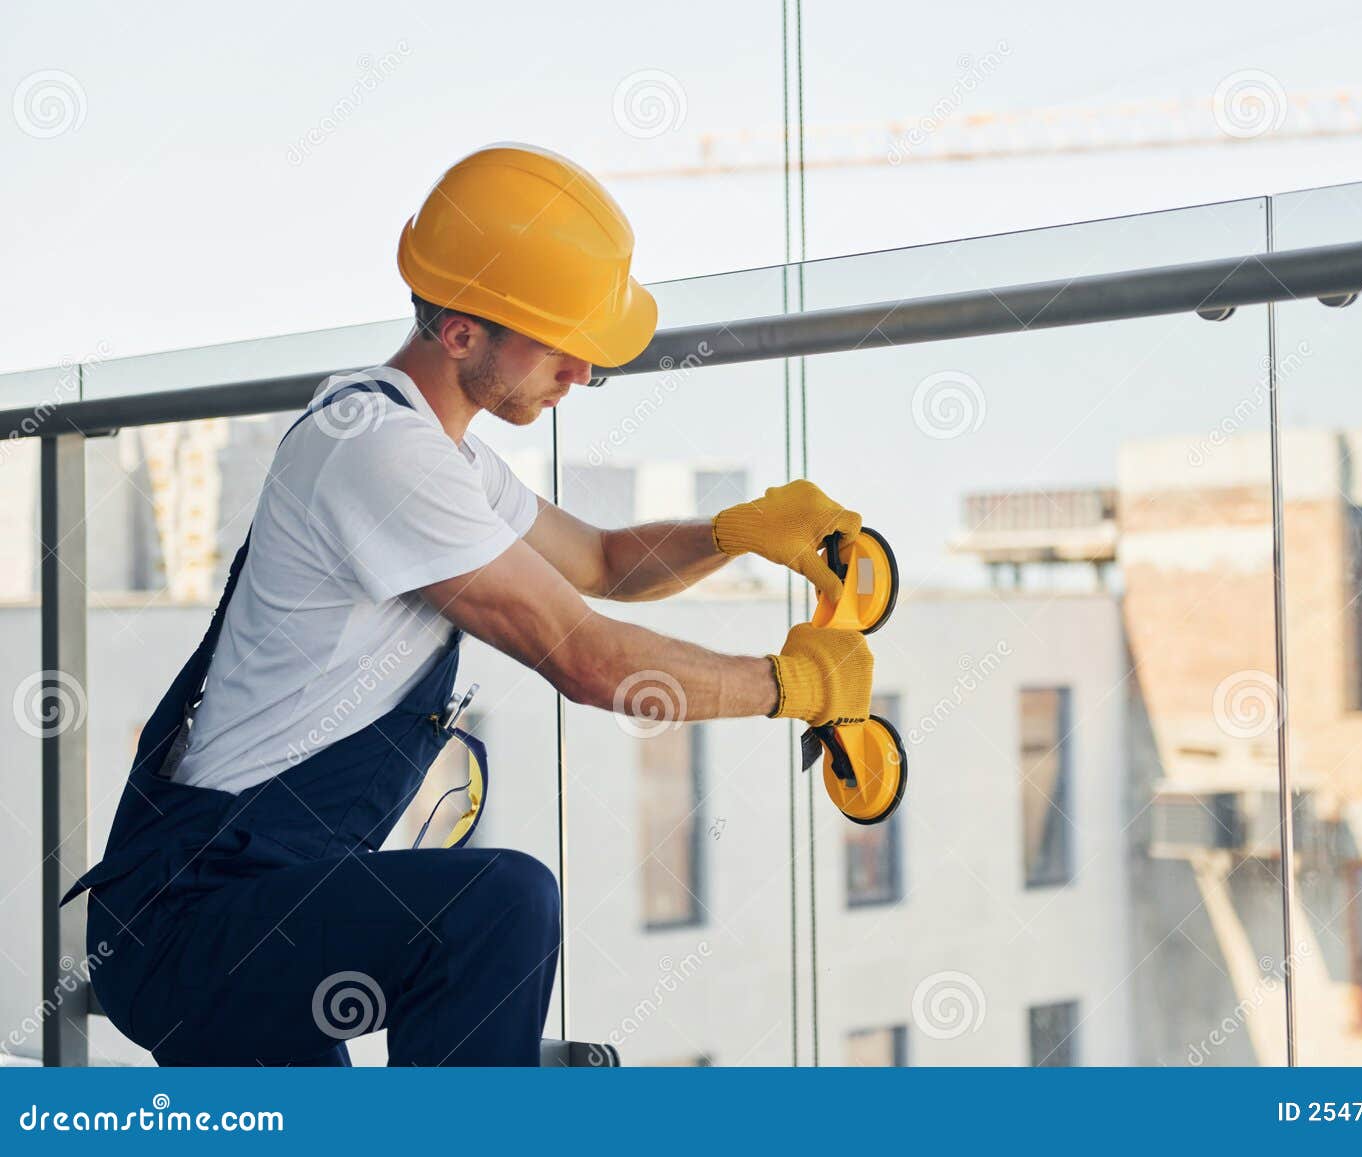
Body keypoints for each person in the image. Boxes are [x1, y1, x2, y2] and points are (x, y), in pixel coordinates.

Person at [65, 143, 875, 1066]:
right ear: (459, 333)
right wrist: (792, 684)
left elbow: (602, 562)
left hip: (281, 907)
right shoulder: (377, 452)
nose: (578, 373)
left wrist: (735, 532)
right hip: (197, 922)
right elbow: (587, 658)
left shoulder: (437, 452)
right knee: (498, 905)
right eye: (559, 345)